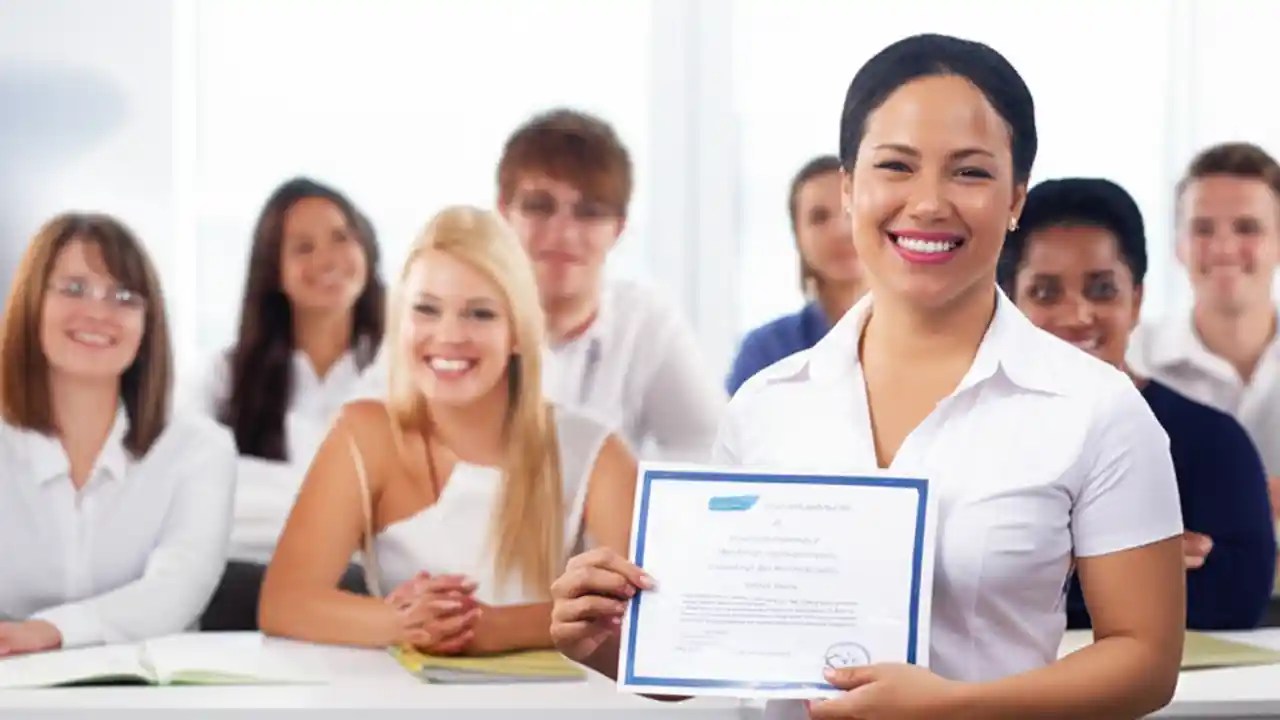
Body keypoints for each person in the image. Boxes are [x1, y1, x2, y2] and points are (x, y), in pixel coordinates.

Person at [550, 33, 1185, 719]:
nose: (929, 203)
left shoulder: (1098, 409)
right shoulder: (767, 404)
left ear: (1015, 200)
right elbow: (720, 653)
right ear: (850, 189)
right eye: (896, 166)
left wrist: (956, 708)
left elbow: (1146, 661)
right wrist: (606, 641)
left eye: (970, 172)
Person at [259, 206, 636, 654]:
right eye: (426, 310)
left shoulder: (594, 453)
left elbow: (644, 620)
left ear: (518, 333)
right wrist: (405, 623)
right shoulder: (364, 434)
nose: (449, 335)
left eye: (479, 314)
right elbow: (285, 603)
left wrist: (501, 628)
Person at [999, 176, 1276, 630]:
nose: (1078, 315)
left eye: (1102, 289)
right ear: (1009, 306)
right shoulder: (970, 437)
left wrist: (1040, 569)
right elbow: (947, 594)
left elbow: (1233, 600)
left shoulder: (1212, 441)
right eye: (1046, 293)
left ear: (1137, 300)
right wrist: (1128, 567)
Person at [0, 213, 235, 655]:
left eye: (125, 297)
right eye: (73, 288)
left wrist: (50, 631)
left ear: (147, 324)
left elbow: (178, 589)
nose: (97, 313)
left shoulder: (200, 449)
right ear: (32, 303)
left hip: (148, 685)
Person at [194, 178, 387, 630]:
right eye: (303, 247)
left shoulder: (402, 369)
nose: (327, 259)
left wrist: (253, 484)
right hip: (239, 585)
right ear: (273, 269)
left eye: (340, 238)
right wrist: (342, 510)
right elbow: (195, 497)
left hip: (368, 593)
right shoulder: (224, 376)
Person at [496, 108, 724, 461]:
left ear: (618, 229)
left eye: (589, 212)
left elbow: (714, 451)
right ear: (503, 213)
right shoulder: (450, 316)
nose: (563, 233)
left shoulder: (645, 323)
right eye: (539, 207)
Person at [1128, 142, 1280, 517]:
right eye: (1203, 229)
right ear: (1178, 245)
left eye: (1247, 228)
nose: (1224, 248)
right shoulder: (1132, 360)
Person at [727, 155, 865, 394]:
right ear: (797, 237)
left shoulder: (927, 338)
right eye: (819, 217)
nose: (841, 230)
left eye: (852, 210)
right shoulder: (766, 351)